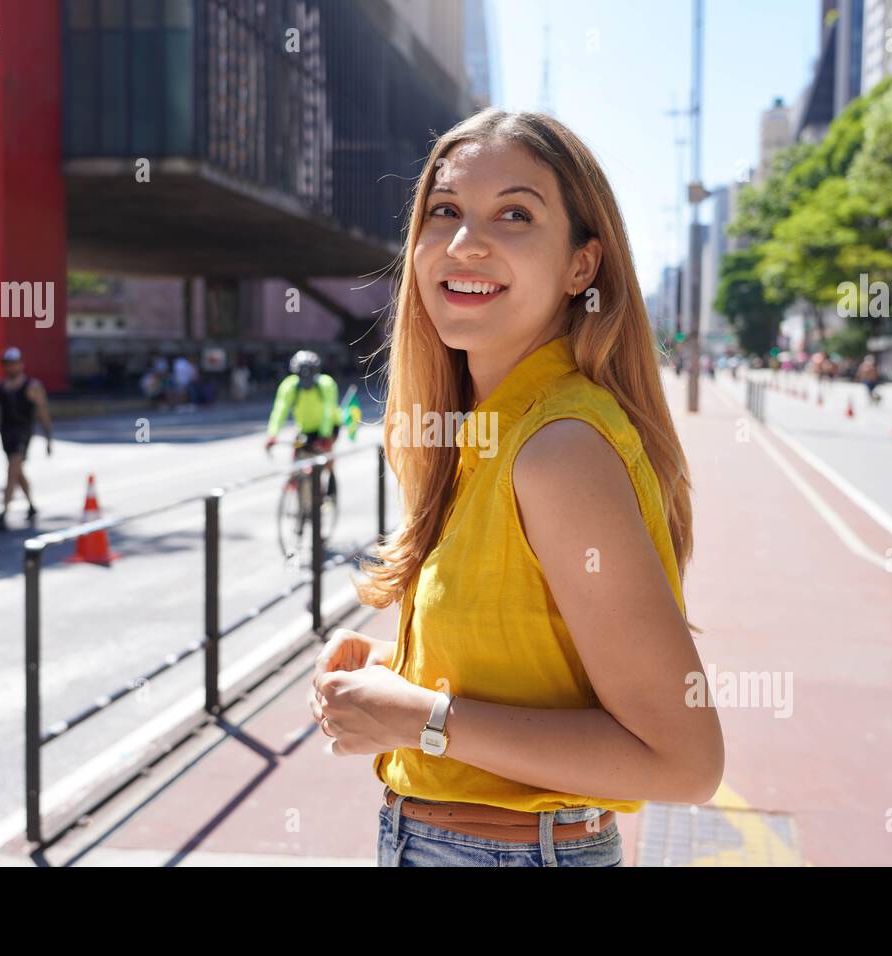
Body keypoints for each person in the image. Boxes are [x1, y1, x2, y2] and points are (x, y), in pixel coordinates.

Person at [307, 109, 721, 867]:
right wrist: (403, 680)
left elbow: (686, 761)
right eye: (445, 211)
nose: (467, 242)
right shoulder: (492, 430)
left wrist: (423, 719)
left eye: (515, 214)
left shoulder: (556, 449)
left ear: (581, 267)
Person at [0, 347, 53, 531]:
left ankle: (4, 513)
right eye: (7, 364)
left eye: (13, 364)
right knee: (17, 472)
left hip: (23, 433)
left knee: (11, 471)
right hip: (6, 433)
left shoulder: (32, 386)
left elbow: (43, 411)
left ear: (21, 364)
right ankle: (31, 505)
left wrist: (48, 438)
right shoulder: (0, 386)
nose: (10, 368)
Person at [264, 349, 341, 500]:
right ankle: (296, 482)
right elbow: (280, 410)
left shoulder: (326, 384)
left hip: (329, 425)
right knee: (297, 453)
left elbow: (328, 411)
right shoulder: (289, 386)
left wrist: (324, 436)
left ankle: (331, 483)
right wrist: (272, 435)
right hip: (305, 428)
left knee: (325, 454)